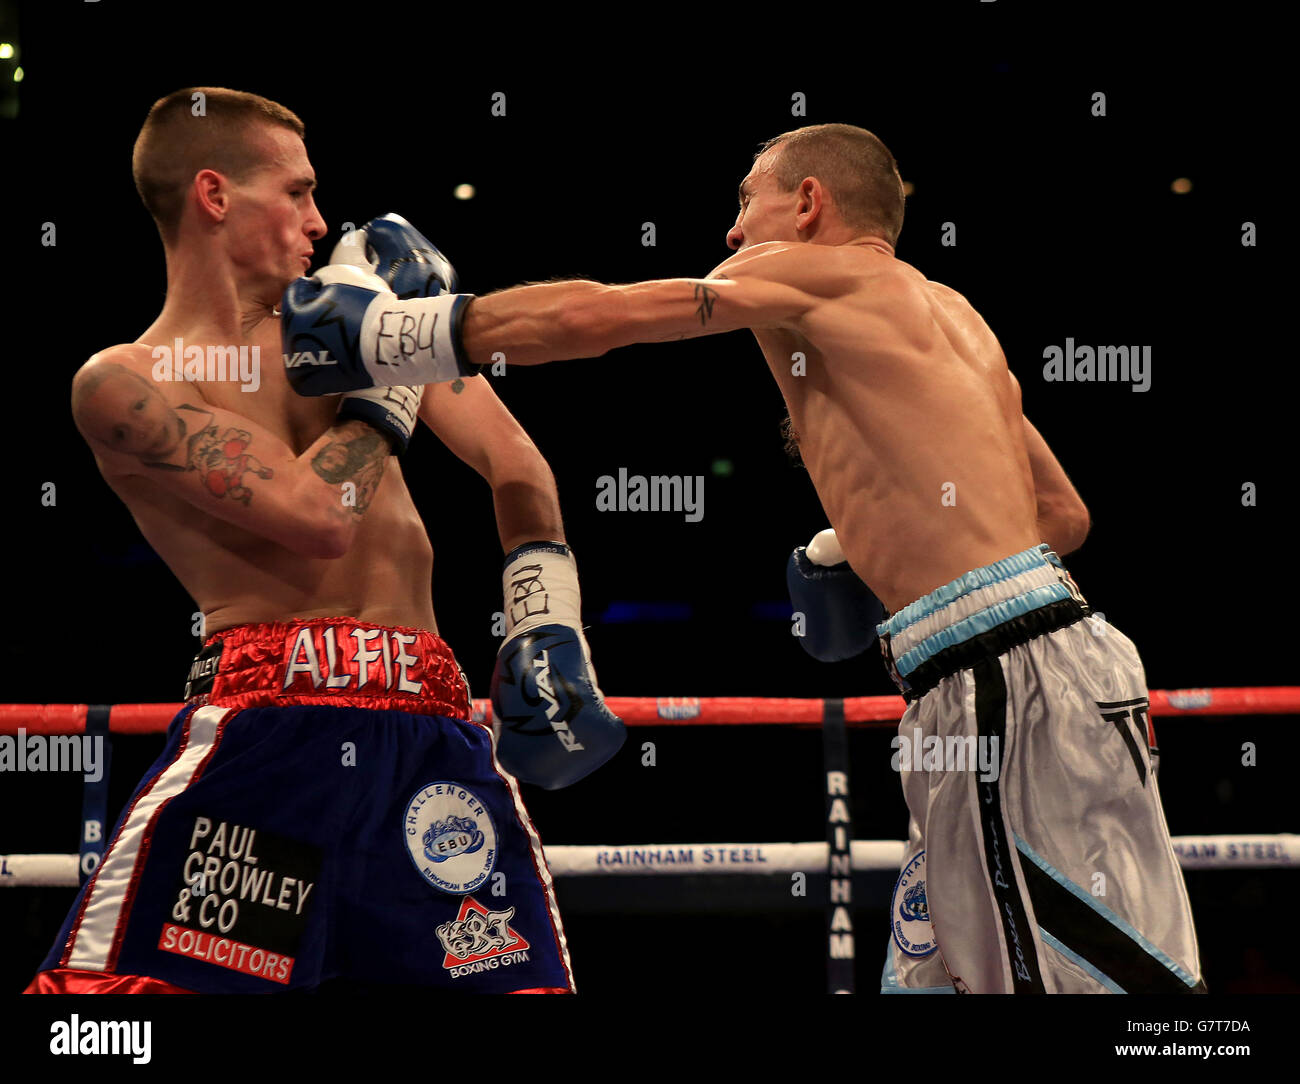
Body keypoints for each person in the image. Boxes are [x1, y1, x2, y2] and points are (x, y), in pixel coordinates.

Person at [289, 122, 1205, 994]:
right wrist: (862, 542)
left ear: (808, 203)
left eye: (746, 200)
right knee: (958, 968)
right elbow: (1063, 515)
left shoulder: (807, 272)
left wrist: (391, 333)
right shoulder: (954, 313)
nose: (731, 228)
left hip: (1000, 675)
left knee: (1065, 976)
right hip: (1031, 656)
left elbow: (603, 318)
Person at [27, 87, 624, 995]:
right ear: (215, 195)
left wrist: (547, 621)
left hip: (433, 732)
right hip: (272, 732)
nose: (321, 220)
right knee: (119, 1018)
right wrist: (388, 380)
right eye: (298, 193)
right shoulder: (124, 381)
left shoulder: (351, 327)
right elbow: (315, 516)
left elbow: (518, 466)